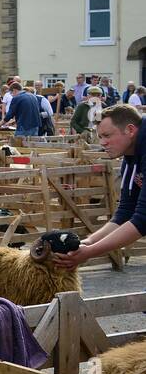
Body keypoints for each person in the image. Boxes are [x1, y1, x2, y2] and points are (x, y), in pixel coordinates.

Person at [54, 105, 146, 271]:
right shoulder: (131, 156)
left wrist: (89, 252)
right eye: (100, 137)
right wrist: (87, 243)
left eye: (107, 136)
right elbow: (126, 212)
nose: (102, 143)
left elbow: (143, 220)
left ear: (130, 130)